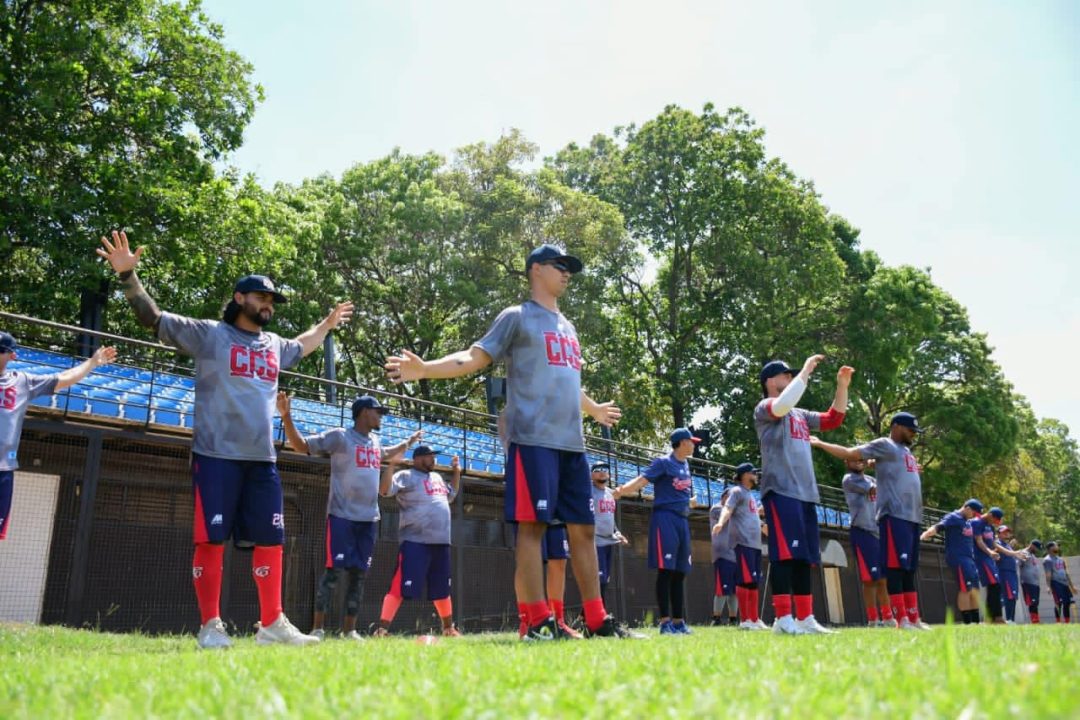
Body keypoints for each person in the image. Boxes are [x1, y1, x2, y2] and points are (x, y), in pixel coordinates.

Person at [97, 230, 354, 648]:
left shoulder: (274, 345)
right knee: (211, 539)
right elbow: (154, 319)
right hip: (215, 455)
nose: (268, 304)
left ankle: (272, 624)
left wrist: (325, 324)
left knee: (272, 539)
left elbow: (303, 345)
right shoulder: (210, 335)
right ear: (240, 298)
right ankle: (210, 627)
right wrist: (129, 277)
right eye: (261, 297)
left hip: (262, 460)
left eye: (272, 300)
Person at [384, 243, 623, 640]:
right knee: (531, 530)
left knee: (582, 530)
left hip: (572, 446)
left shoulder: (569, 326)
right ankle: (536, 621)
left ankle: (598, 621)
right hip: (532, 441)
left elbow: (565, 381)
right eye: (558, 265)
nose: (566, 273)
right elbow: (474, 358)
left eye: (569, 268)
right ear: (535, 270)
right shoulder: (516, 317)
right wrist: (424, 369)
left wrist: (594, 409)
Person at [278, 392, 420, 640]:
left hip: (369, 520)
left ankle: (349, 630)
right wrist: (287, 417)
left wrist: (408, 443)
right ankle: (318, 629)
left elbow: (389, 452)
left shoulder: (375, 442)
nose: (381, 417)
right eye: (378, 411)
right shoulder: (340, 437)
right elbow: (301, 446)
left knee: (359, 575)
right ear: (365, 412)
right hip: (342, 517)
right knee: (333, 572)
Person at [755, 356, 853, 635]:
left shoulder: (800, 415)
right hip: (781, 490)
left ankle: (805, 618)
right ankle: (782, 619)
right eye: (785, 375)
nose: (790, 378)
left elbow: (833, 419)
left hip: (806, 494)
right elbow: (783, 403)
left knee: (804, 557)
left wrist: (842, 386)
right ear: (770, 381)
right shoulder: (765, 408)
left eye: (792, 375)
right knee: (784, 555)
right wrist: (807, 371)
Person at [810, 412, 929, 630]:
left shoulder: (905, 452)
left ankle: (913, 618)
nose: (913, 434)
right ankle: (897, 618)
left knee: (907, 570)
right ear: (896, 427)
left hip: (911, 517)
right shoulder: (882, 447)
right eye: (910, 429)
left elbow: (882, 468)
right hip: (888, 519)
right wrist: (819, 443)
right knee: (888, 571)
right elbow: (850, 453)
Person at [1, 331, 117, 540]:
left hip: (3, 470)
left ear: (12, 356)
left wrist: (91, 363)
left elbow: (62, 378)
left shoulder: (22, 382)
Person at [615, 428, 698, 635]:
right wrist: (621, 490)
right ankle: (665, 622)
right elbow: (643, 481)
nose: (694, 445)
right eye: (691, 441)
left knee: (680, 573)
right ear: (681, 443)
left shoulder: (686, 464)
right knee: (666, 571)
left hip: (682, 520)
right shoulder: (663, 462)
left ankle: (679, 622)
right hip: (665, 519)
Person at [375, 445, 462, 637]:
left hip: (441, 542)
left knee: (442, 588)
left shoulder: (437, 477)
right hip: (415, 541)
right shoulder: (406, 475)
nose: (434, 460)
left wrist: (456, 473)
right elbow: (384, 491)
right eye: (431, 456)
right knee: (399, 585)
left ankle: (448, 628)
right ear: (418, 458)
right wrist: (391, 466)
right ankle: (382, 630)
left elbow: (451, 496)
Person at [711, 462, 768, 631]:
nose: (756, 476)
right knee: (745, 581)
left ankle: (754, 618)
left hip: (755, 545)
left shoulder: (750, 496)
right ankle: (745, 620)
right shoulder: (736, 491)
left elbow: (757, 522)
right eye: (753, 473)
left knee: (754, 582)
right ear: (744, 475)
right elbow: (727, 508)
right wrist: (721, 523)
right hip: (743, 543)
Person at [840, 456, 893, 627]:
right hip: (863, 532)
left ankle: (887, 617)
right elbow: (877, 489)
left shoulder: (871, 478)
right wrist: (883, 465)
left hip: (878, 532)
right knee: (870, 579)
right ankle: (873, 619)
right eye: (854, 460)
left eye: (862, 460)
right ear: (846, 462)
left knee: (883, 579)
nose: (859, 462)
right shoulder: (849, 479)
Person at [920, 499, 983, 624]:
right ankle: (967, 622)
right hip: (958, 558)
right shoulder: (953, 517)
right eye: (974, 514)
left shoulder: (967, 521)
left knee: (974, 589)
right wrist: (925, 534)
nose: (974, 517)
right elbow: (939, 526)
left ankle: (976, 621)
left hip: (969, 559)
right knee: (964, 588)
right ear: (968, 508)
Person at [591, 461, 629, 611]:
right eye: (597, 470)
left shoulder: (610, 493)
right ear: (591, 474)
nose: (602, 472)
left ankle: (586, 616)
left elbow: (610, 518)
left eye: (605, 469)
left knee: (605, 580)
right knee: (598, 580)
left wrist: (617, 533)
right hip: (595, 541)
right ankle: (599, 615)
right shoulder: (588, 491)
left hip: (609, 541)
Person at [709, 486, 738, 627]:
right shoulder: (716, 509)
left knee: (734, 591)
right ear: (724, 497)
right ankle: (716, 618)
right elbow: (728, 516)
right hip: (722, 555)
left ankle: (733, 619)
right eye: (731, 496)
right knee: (722, 589)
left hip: (734, 555)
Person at [971, 507, 1004, 624]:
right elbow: (979, 541)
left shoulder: (989, 526)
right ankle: (996, 617)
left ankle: (991, 618)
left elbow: (993, 543)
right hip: (981, 558)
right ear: (990, 514)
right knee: (994, 585)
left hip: (989, 559)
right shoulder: (976, 522)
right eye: (995, 519)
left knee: (994, 586)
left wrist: (1011, 553)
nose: (994, 523)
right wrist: (990, 552)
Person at [994, 525, 1027, 624]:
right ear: (998, 533)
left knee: (1013, 597)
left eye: (1007, 532)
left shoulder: (1007, 544)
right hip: (1004, 572)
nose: (1006, 533)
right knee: (1008, 596)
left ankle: (1011, 620)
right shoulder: (997, 543)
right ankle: (1008, 619)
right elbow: (995, 553)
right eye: (1004, 532)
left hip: (1012, 573)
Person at [1044, 541, 1077, 623]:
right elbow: (1048, 574)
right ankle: (1058, 622)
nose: (1057, 547)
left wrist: (1072, 586)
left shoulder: (1061, 559)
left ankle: (1067, 622)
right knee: (1058, 603)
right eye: (1056, 546)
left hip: (1065, 584)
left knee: (1067, 602)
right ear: (1050, 548)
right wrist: (1048, 586)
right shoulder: (1047, 560)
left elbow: (1066, 573)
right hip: (1055, 583)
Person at [1019, 539, 1044, 624]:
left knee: (1036, 602)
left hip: (1035, 583)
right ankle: (1034, 620)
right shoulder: (1024, 553)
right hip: (1028, 582)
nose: (1037, 550)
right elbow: (1018, 564)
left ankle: (1036, 620)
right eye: (1036, 548)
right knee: (1032, 602)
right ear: (1032, 545)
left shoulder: (1032, 555)